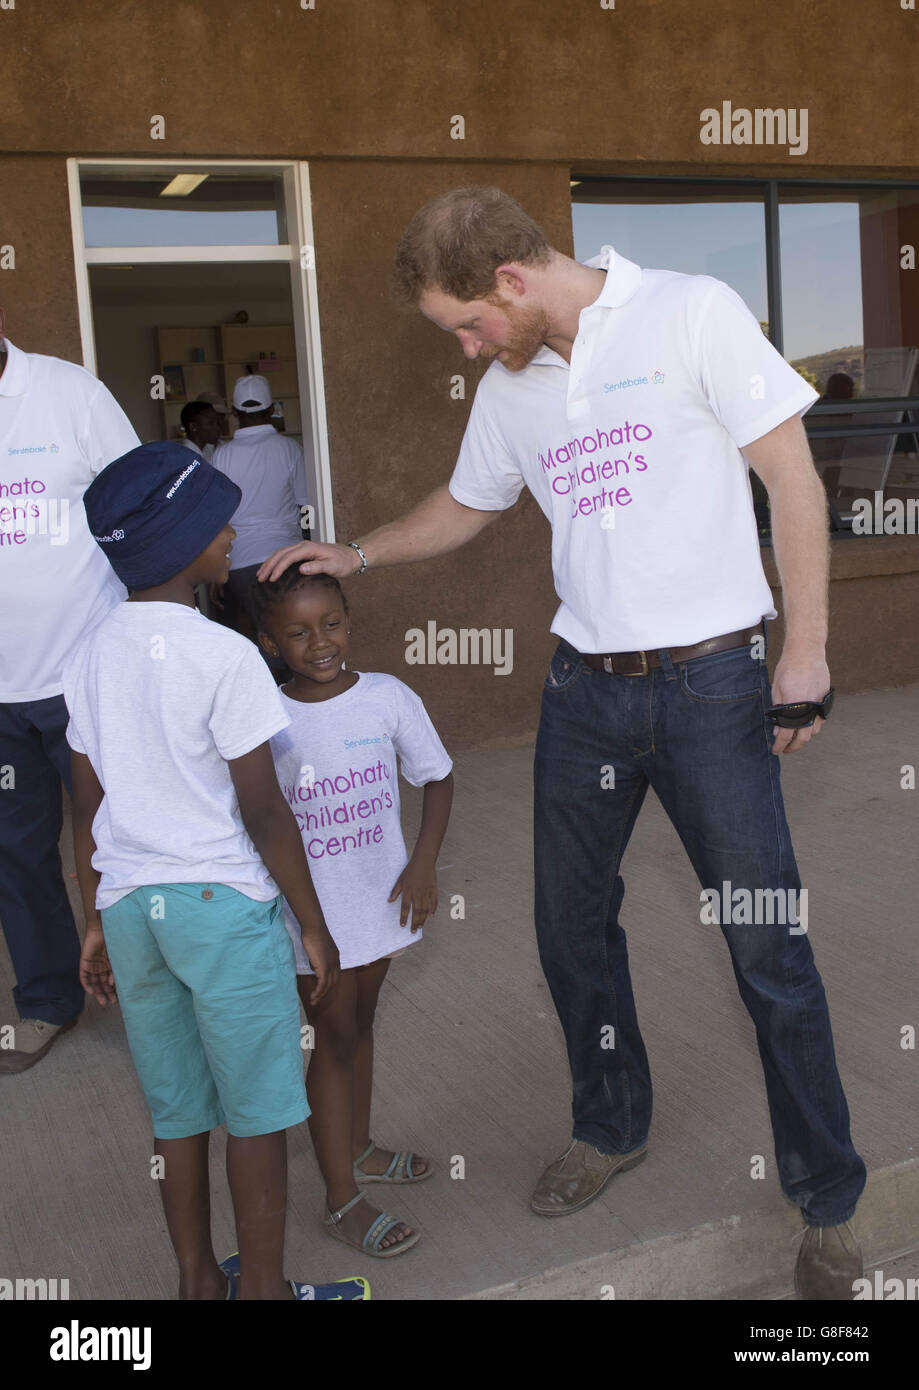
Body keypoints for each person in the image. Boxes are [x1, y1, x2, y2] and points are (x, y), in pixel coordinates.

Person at [258, 187, 867, 1300]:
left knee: (765, 947)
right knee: (569, 932)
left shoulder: (689, 311)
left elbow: (788, 474)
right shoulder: (510, 386)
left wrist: (805, 652)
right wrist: (360, 552)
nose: (466, 346)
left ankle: (825, 1201)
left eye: (466, 323)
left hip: (713, 682)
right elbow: (465, 503)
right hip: (586, 691)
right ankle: (609, 1124)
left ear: (510, 282)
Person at [63, 441, 341, 1299]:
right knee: (256, 1111)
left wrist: (96, 919)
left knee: (178, 1114)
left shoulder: (86, 654)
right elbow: (263, 813)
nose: (231, 532)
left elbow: (87, 810)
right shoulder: (223, 655)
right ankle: (262, 1287)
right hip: (221, 909)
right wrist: (314, 923)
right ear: (181, 546)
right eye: (215, 522)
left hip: (137, 911)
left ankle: (195, 1282)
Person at [252, 565, 454, 1257]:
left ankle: (358, 1148)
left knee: (359, 1026)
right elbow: (256, 816)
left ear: (349, 620)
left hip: (379, 903)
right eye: (297, 633)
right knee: (332, 1042)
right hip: (312, 919)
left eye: (331, 624)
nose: (319, 643)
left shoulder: (387, 698)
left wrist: (423, 860)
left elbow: (437, 775)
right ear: (269, 642)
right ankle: (341, 1200)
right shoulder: (265, 719)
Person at [0, 306, 140, 1074]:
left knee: (121, 836)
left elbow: (137, 509)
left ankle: (147, 980)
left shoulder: (68, 394)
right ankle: (49, 999)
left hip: (83, 676)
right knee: (14, 854)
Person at [209, 375, 310, 671]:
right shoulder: (289, 448)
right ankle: (294, 697)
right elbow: (305, 503)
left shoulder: (222, 454)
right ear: (270, 410)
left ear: (235, 413)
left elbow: (216, 516)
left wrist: (217, 572)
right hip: (284, 558)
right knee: (291, 634)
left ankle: (265, 699)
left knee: (255, 639)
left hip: (238, 563)